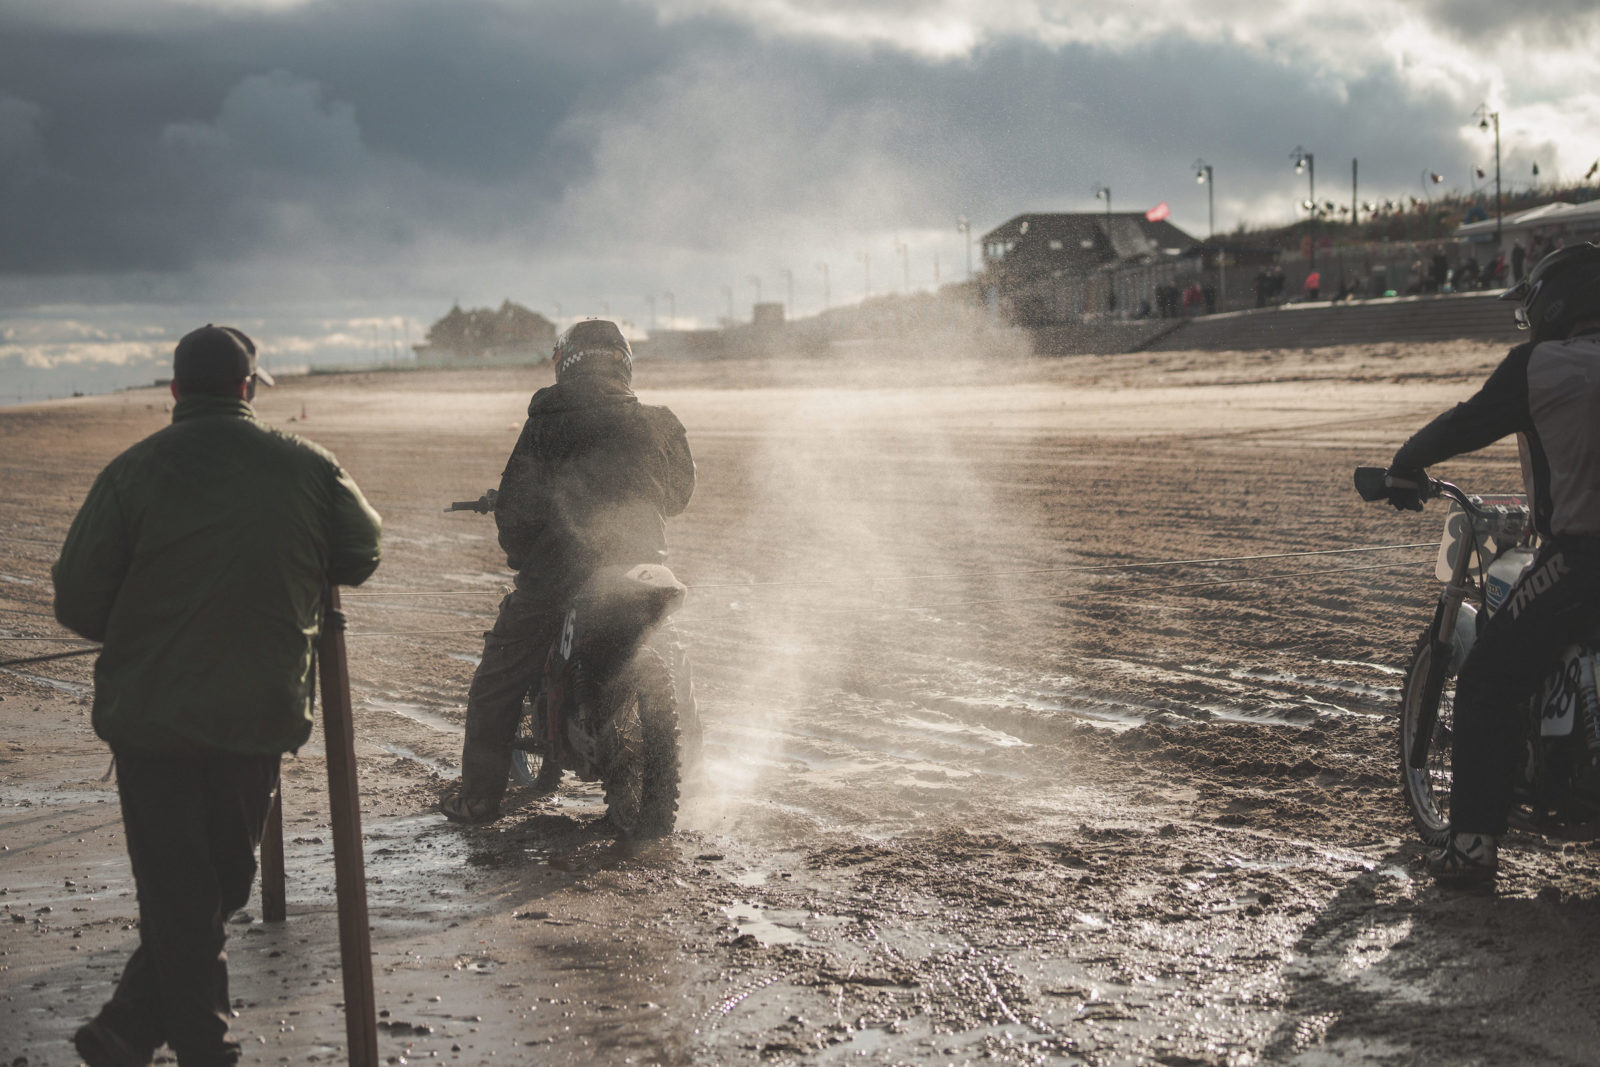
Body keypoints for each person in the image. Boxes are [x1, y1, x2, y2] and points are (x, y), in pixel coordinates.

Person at [52, 325, 383, 1065]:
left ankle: (128, 1030)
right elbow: (362, 549)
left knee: (195, 890)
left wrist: (146, 629)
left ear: (174, 391)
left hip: (153, 721)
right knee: (210, 884)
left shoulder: (131, 472)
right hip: (254, 714)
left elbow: (76, 598)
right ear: (247, 389)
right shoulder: (306, 466)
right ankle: (208, 1047)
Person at [1380, 243, 1600, 885]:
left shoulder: (1541, 366)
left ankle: (1471, 848)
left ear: (1553, 304)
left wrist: (1404, 465)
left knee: (1486, 679)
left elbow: (1467, 423)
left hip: (1581, 560)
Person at [442, 319, 695, 824]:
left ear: (565, 363)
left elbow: (516, 511)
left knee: (498, 678)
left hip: (562, 576)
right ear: (623, 362)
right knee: (674, 658)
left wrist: (525, 561)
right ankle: (697, 778)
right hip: (643, 568)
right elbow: (679, 495)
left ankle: (478, 801)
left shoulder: (546, 423)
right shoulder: (659, 421)